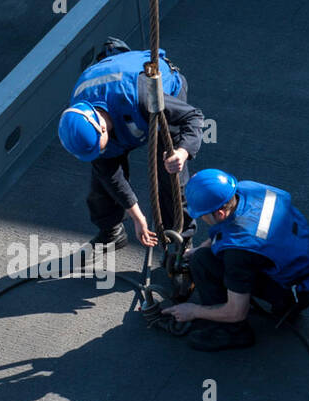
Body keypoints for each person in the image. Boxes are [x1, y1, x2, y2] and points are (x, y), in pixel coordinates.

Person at [56, 40, 205, 250]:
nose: (100, 153)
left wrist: (182, 152)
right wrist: (138, 218)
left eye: (99, 147)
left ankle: (181, 244)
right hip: (119, 98)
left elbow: (193, 117)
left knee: (171, 176)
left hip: (155, 98)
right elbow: (111, 175)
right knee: (102, 178)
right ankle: (111, 231)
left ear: (102, 128)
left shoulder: (141, 97)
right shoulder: (81, 117)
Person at [160, 169, 309, 351]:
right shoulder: (246, 188)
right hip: (305, 256)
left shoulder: (239, 253)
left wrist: (193, 311)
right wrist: (199, 248)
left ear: (220, 213)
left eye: (202, 215)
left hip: (293, 287)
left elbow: (236, 312)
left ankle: (233, 332)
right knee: (202, 254)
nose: (201, 218)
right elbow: (229, 229)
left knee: (202, 262)